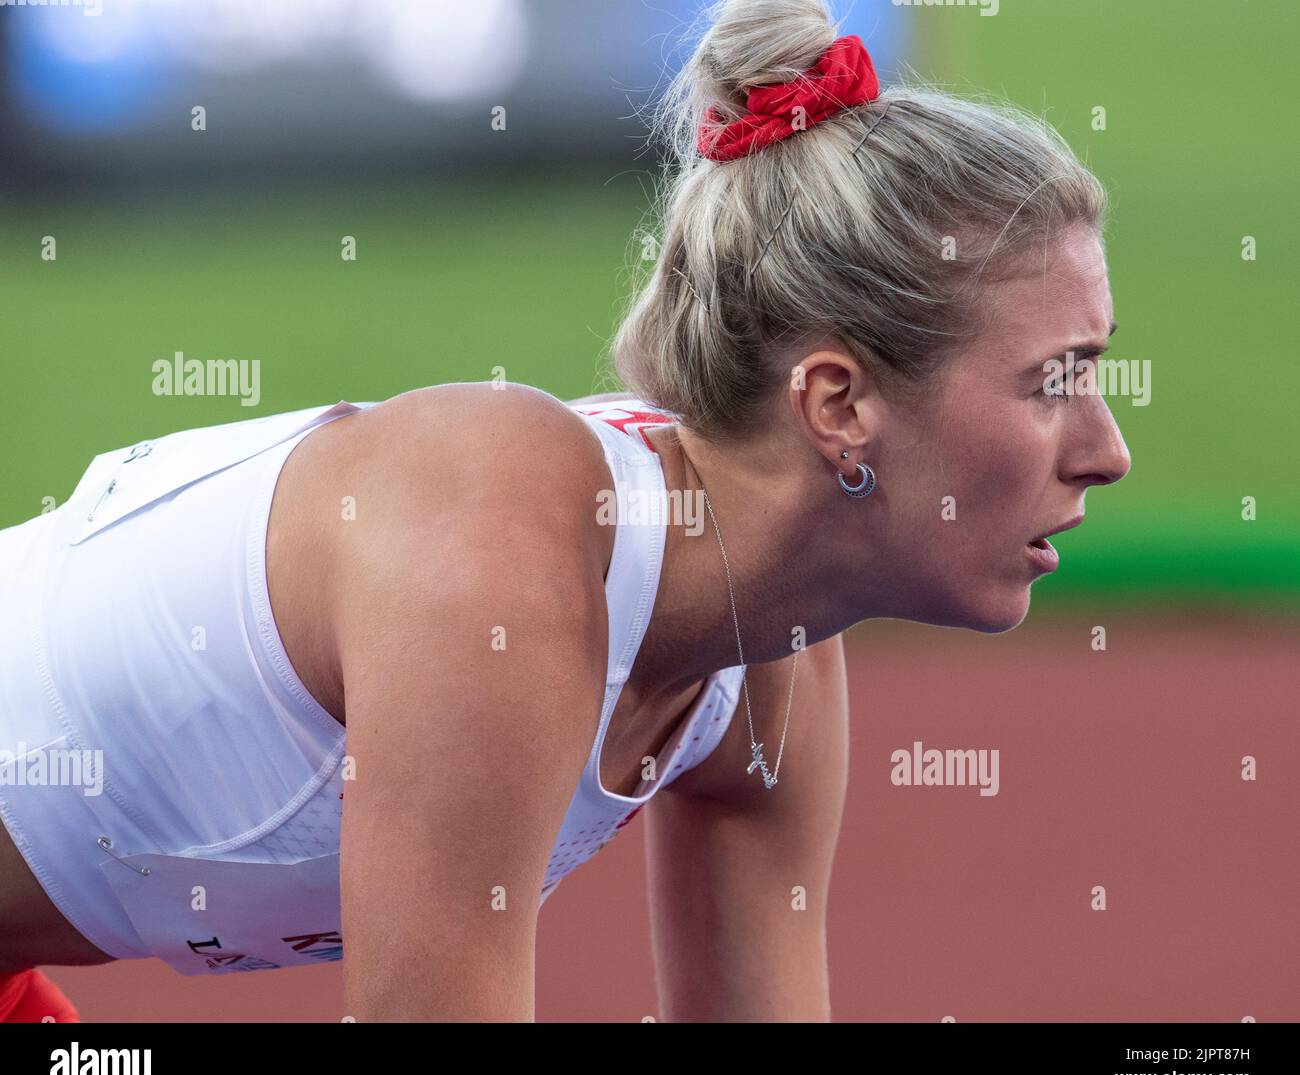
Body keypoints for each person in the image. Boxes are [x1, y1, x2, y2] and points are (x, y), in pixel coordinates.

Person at [0, 0, 1129, 1022]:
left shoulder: (774, 663)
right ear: (836, 402)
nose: (1108, 451)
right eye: (1054, 380)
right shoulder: (495, 552)